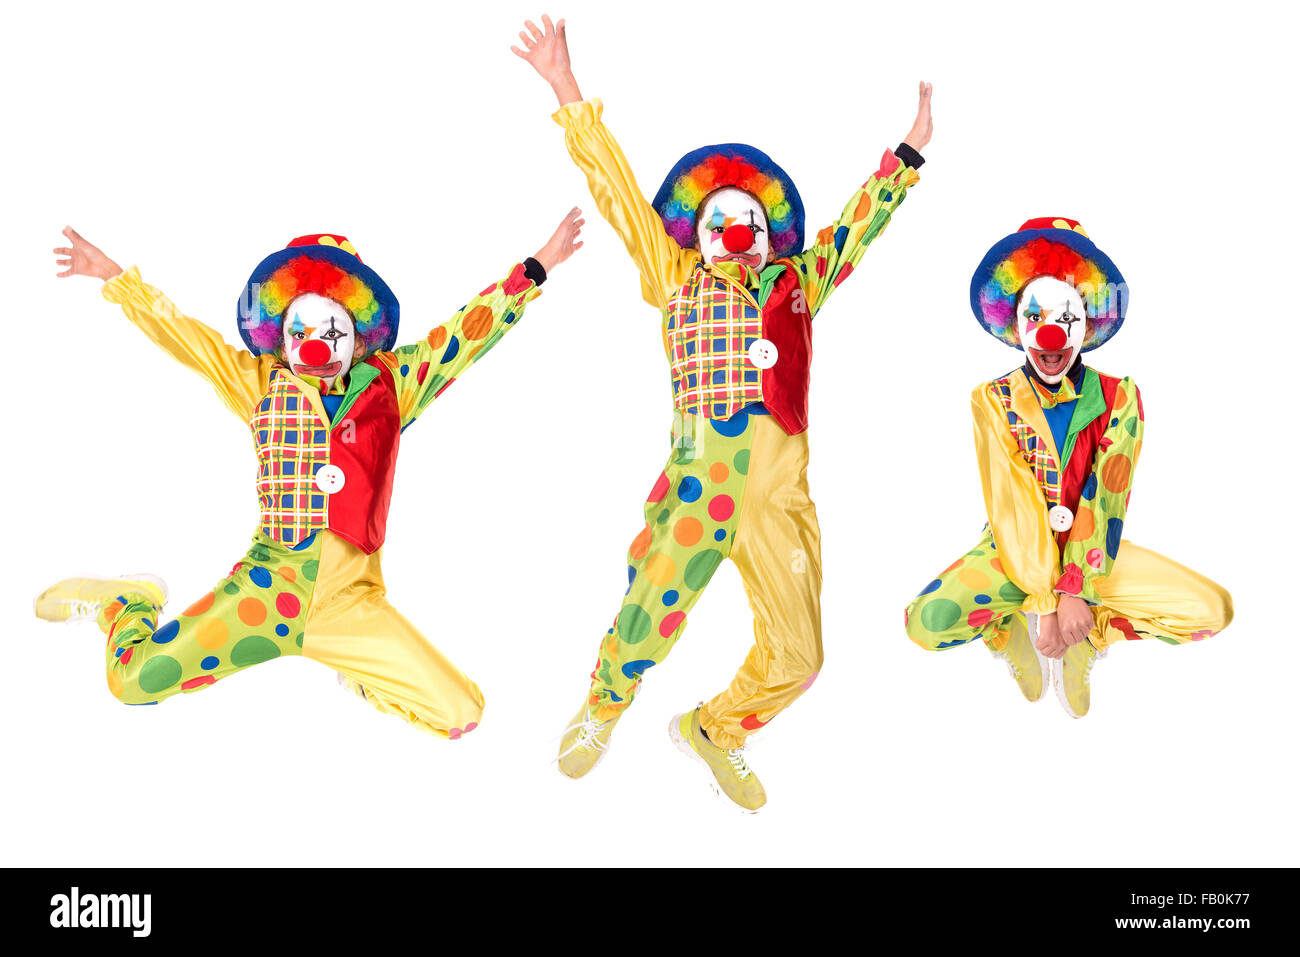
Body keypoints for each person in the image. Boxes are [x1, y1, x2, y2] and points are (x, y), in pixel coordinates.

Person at [514, 15, 931, 809]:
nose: (737, 240)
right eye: (719, 227)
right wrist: (566, 87)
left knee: (802, 658)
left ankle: (717, 727)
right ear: (696, 237)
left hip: (780, 500)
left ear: (773, 236)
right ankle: (602, 707)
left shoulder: (799, 284)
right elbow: (617, 191)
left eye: (752, 228)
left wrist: (908, 151)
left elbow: (862, 222)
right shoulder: (675, 279)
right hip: (700, 492)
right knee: (646, 620)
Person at [36, 213, 583, 739]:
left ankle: (363, 680)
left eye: (331, 332)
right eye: (301, 333)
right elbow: (188, 340)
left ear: (360, 336)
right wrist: (116, 279)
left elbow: (465, 336)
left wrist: (535, 269)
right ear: (281, 336)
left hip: (351, 603)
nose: (315, 347)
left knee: (461, 712)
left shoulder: (393, 386)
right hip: (267, 592)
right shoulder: (260, 383)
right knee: (131, 683)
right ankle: (124, 604)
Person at [904, 217, 1232, 717]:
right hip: (1015, 555)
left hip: (1094, 555)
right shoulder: (992, 399)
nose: (1050, 334)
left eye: (1066, 317)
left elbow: (1107, 494)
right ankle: (1006, 625)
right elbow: (1013, 504)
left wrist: (1075, 590)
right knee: (925, 623)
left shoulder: (1120, 397)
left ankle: (1092, 636)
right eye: (1035, 317)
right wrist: (1043, 602)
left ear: (1088, 322)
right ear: (1015, 325)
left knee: (1211, 611)